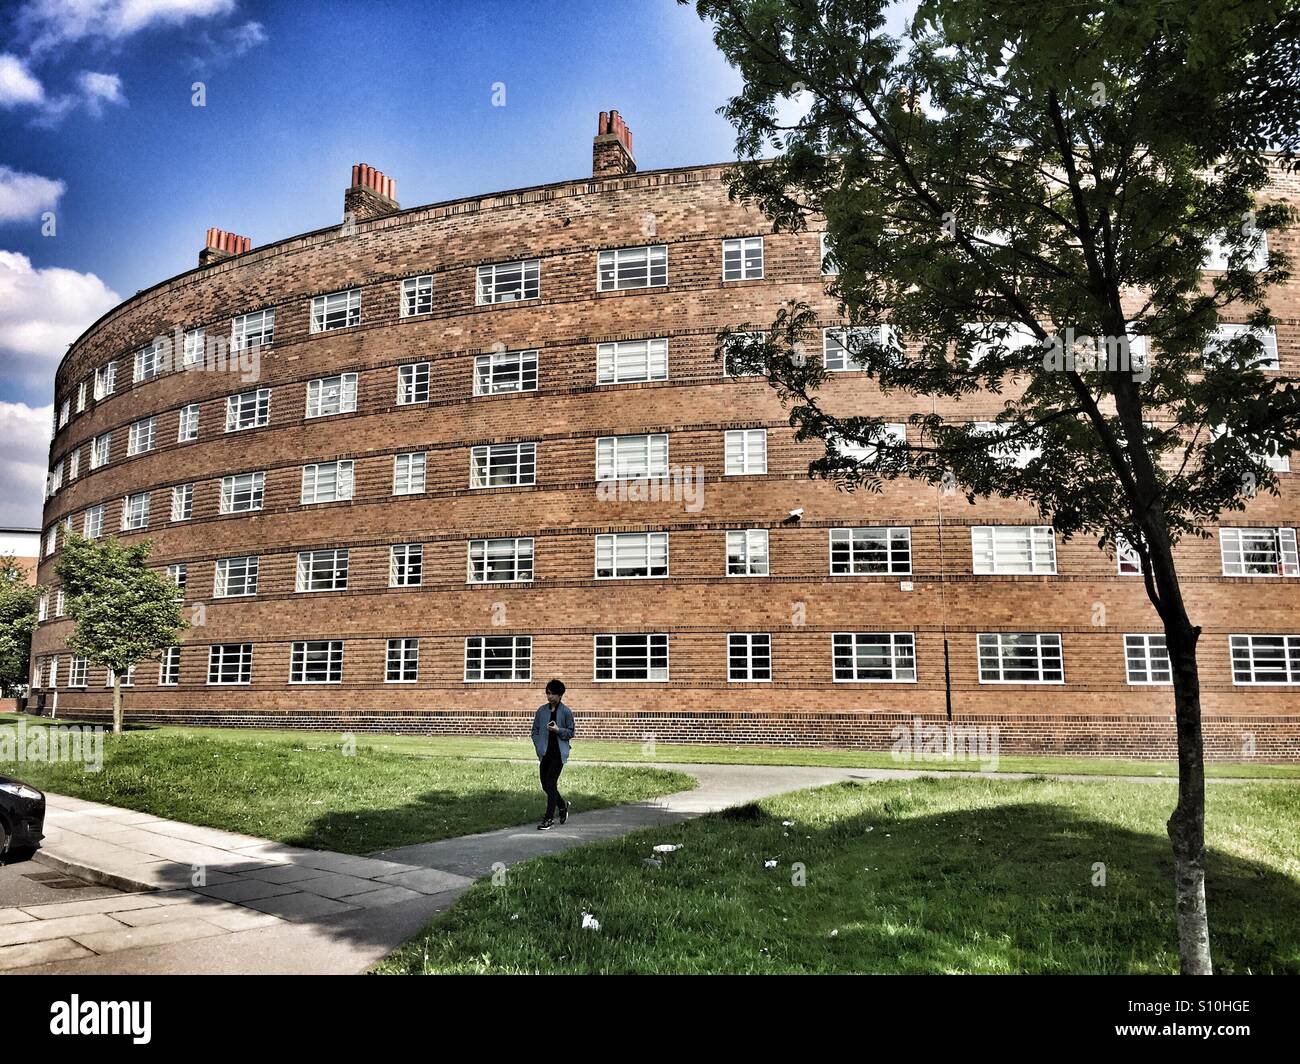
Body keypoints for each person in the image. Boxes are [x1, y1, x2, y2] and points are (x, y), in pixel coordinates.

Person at [531, 679, 575, 830]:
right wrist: (538, 747)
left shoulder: (566, 712)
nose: (550, 697)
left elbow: (571, 732)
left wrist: (558, 730)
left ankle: (549, 819)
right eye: (548, 693)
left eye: (553, 694)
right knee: (545, 785)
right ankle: (562, 806)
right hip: (545, 753)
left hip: (558, 754)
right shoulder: (541, 711)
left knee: (551, 783)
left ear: (560, 695)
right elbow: (535, 731)